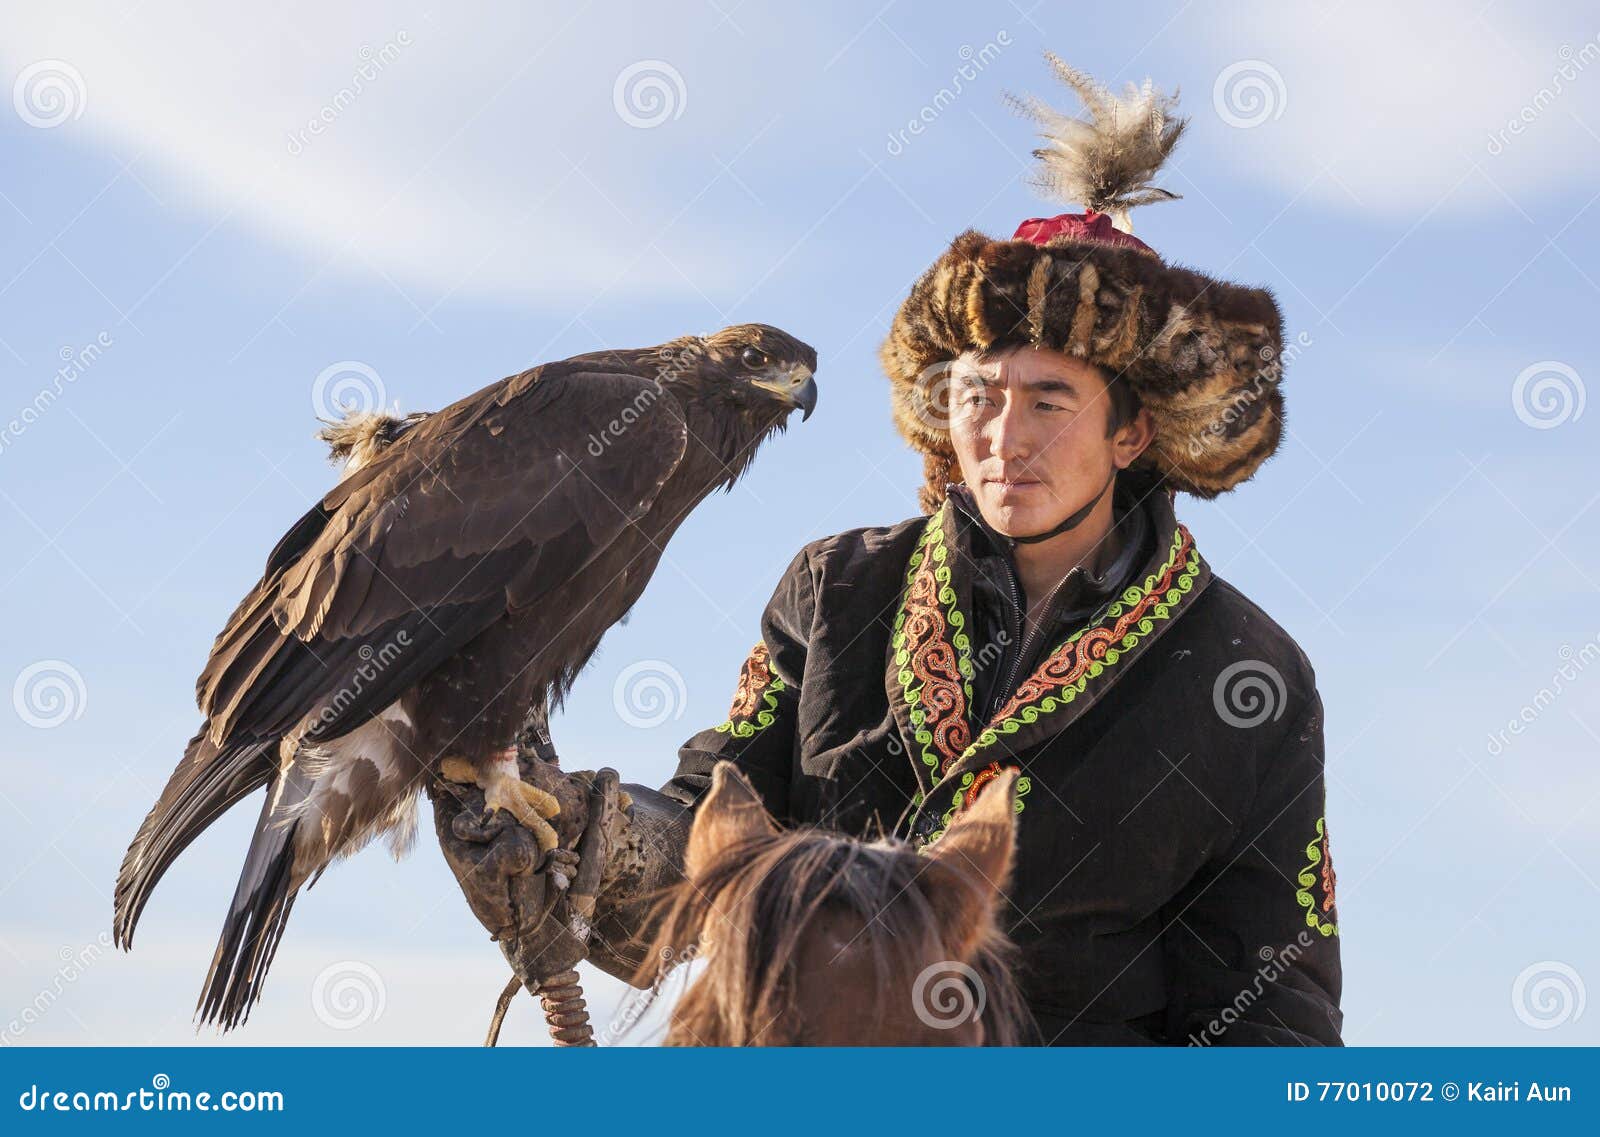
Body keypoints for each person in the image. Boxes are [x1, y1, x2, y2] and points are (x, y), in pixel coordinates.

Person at [454, 57, 1342, 1046]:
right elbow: (714, 825)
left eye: (1049, 402)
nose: (1004, 436)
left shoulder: (1247, 669)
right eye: (978, 398)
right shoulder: (837, 586)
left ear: (1130, 434)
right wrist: (575, 838)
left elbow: (1272, 1003)